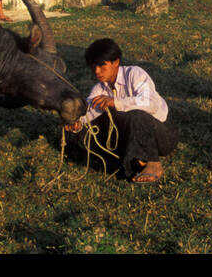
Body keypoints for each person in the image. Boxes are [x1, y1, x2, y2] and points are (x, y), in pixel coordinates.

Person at [64, 38, 177, 184]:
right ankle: (134, 159)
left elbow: (151, 104)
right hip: (132, 137)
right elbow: (89, 113)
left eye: (101, 66)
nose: (97, 71)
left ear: (116, 62)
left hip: (161, 136)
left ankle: (153, 163)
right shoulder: (99, 88)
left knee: (136, 115)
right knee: (84, 131)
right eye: (93, 67)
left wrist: (115, 102)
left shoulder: (135, 74)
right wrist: (78, 123)